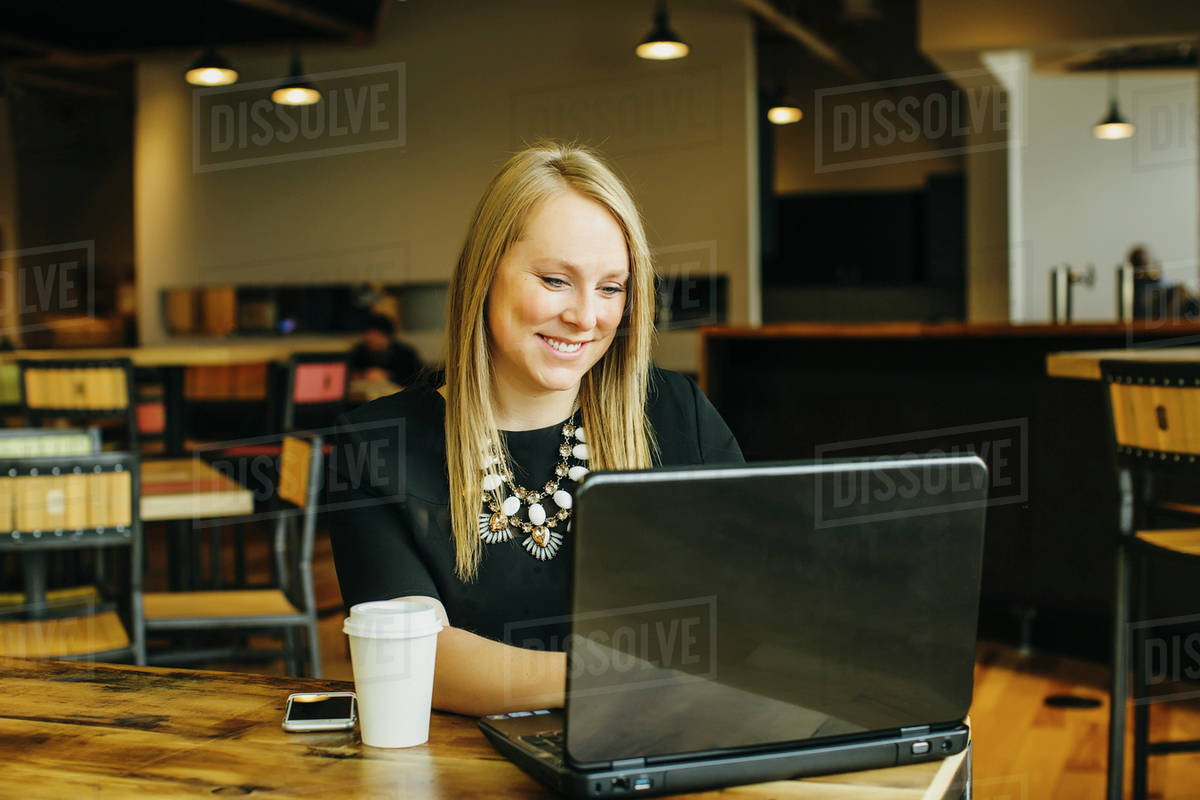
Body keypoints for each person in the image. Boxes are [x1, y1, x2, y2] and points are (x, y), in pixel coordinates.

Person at [328, 142, 743, 717]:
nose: (586, 316)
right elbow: (419, 663)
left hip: (666, 750)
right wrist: (627, 676)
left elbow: (756, 598)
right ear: (484, 274)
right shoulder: (375, 446)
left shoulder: (678, 414)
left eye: (611, 287)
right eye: (554, 280)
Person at [348, 313, 423, 387]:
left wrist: (389, 376)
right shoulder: (360, 351)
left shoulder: (405, 354)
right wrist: (362, 375)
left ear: (388, 337)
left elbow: (416, 378)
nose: (372, 339)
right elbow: (351, 372)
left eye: (377, 335)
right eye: (369, 334)